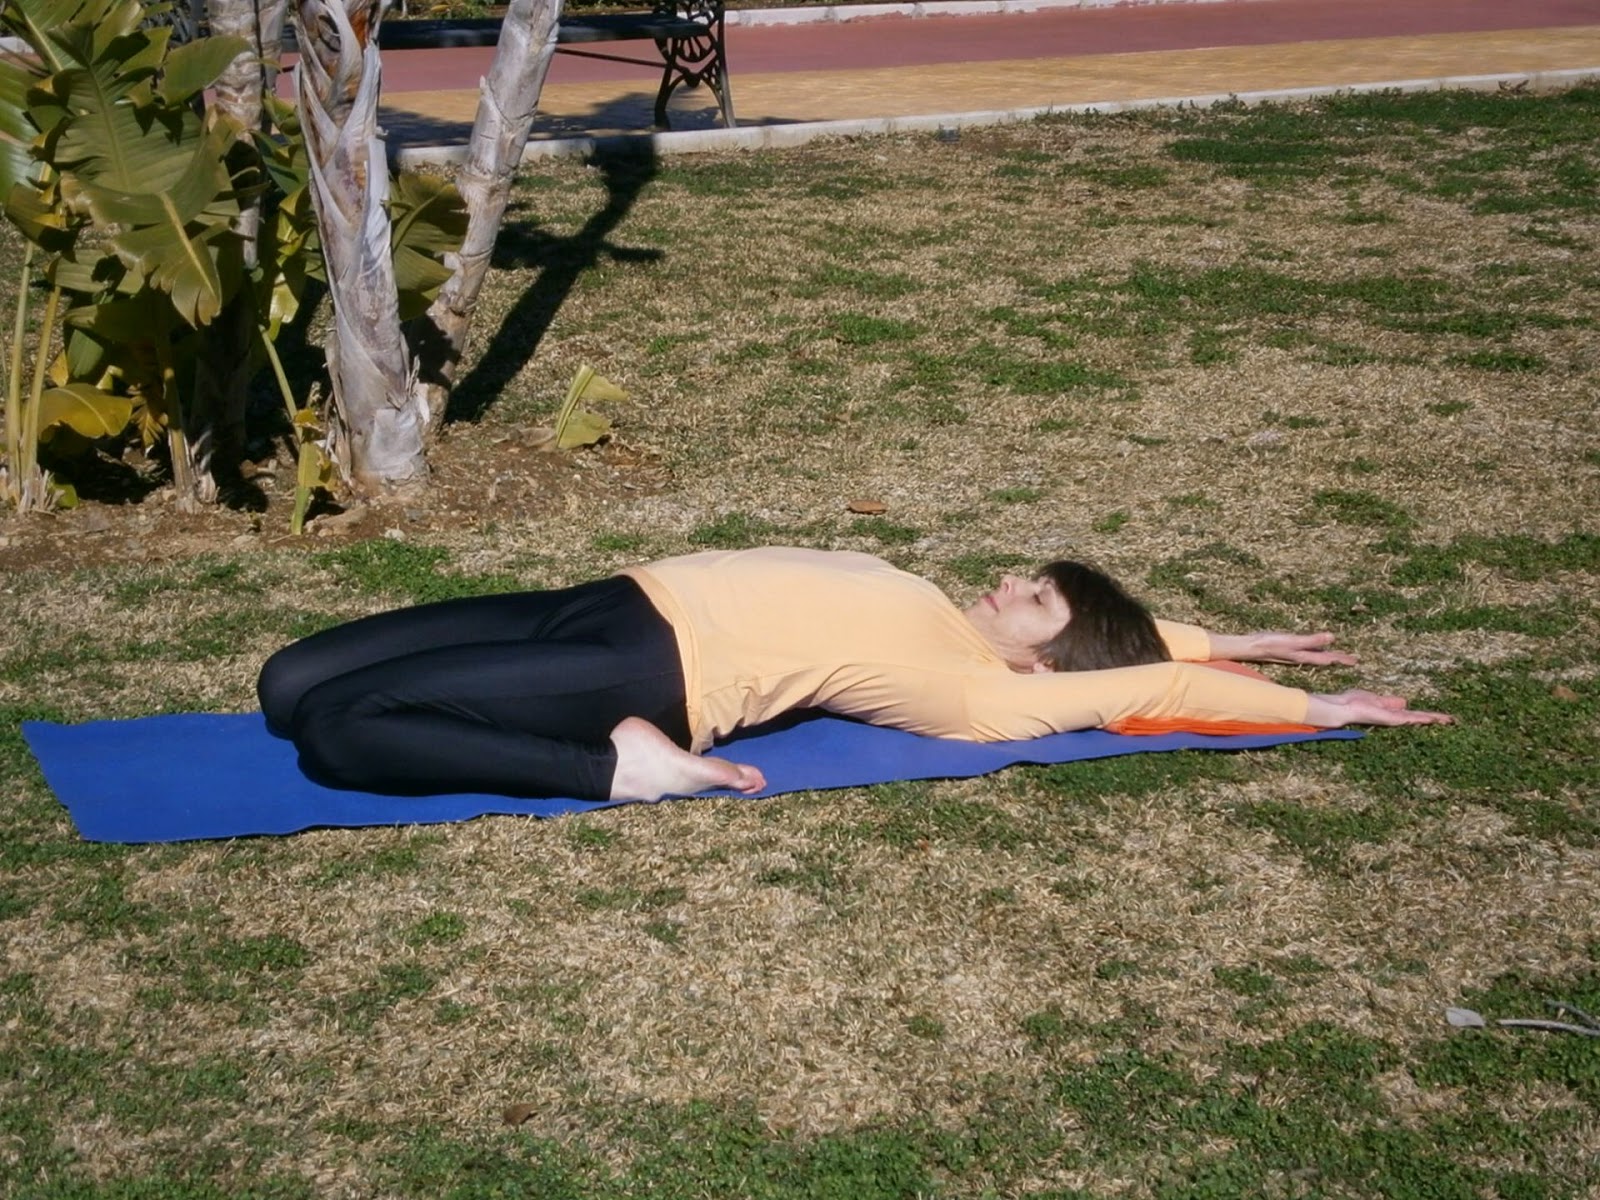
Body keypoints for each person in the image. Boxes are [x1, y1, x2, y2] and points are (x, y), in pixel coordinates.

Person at [257, 547, 1450, 803]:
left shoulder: (982, 692)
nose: (1002, 583)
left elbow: (1144, 689)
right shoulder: (950, 612)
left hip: (648, 667)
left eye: (1027, 598)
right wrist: (1227, 635)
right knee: (288, 681)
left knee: (344, 729)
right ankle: (608, 754)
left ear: (1047, 651)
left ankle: (622, 773)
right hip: (605, 598)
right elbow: (1156, 654)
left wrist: (1311, 706)